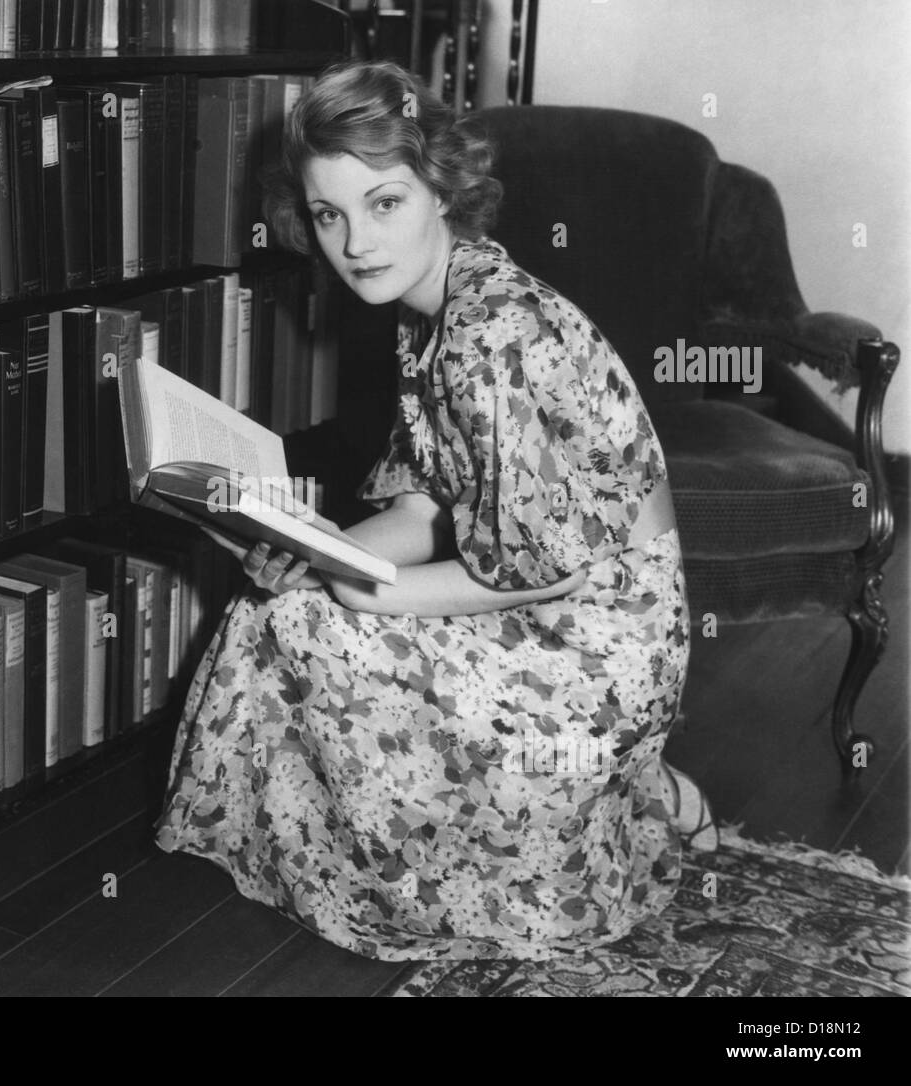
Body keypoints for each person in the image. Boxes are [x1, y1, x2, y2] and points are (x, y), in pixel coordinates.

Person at [153, 59, 716, 962]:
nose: (355, 241)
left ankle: (614, 788)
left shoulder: (496, 331)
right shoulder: (438, 310)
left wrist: (372, 594)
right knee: (282, 602)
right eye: (329, 214)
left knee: (314, 626)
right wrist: (321, 546)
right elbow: (426, 505)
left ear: (442, 191)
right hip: (549, 608)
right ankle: (605, 799)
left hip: (599, 647)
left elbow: (551, 570)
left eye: (384, 204)